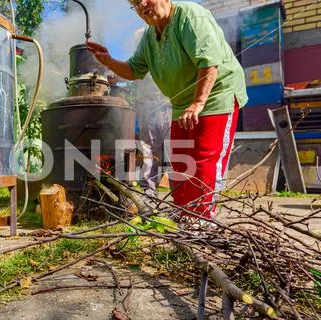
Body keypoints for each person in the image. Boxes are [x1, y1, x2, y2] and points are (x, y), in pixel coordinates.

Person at [87, 0, 248, 220]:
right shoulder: (150, 36)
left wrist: (198, 103)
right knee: (182, 160)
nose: (142, 4)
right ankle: (184, 214)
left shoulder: (190, 16)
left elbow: (209, 62)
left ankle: (202, 218)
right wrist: (108, 60)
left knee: (203, 158)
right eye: (135, 3)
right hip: (182, 103)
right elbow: (134, 70)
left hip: (215, 95)